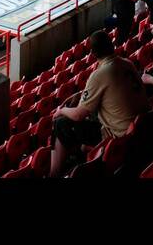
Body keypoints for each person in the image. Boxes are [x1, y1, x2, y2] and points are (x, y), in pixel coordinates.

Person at [49, 31, 147, 176]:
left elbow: (78, 115)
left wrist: (61, 110)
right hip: (139, 126)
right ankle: (78, 155)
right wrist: (80, 95)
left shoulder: (100, 74)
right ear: (111, 45)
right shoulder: (127, 63)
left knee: (60, 124)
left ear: (93, 54)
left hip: (119, 136)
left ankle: (54, 173)